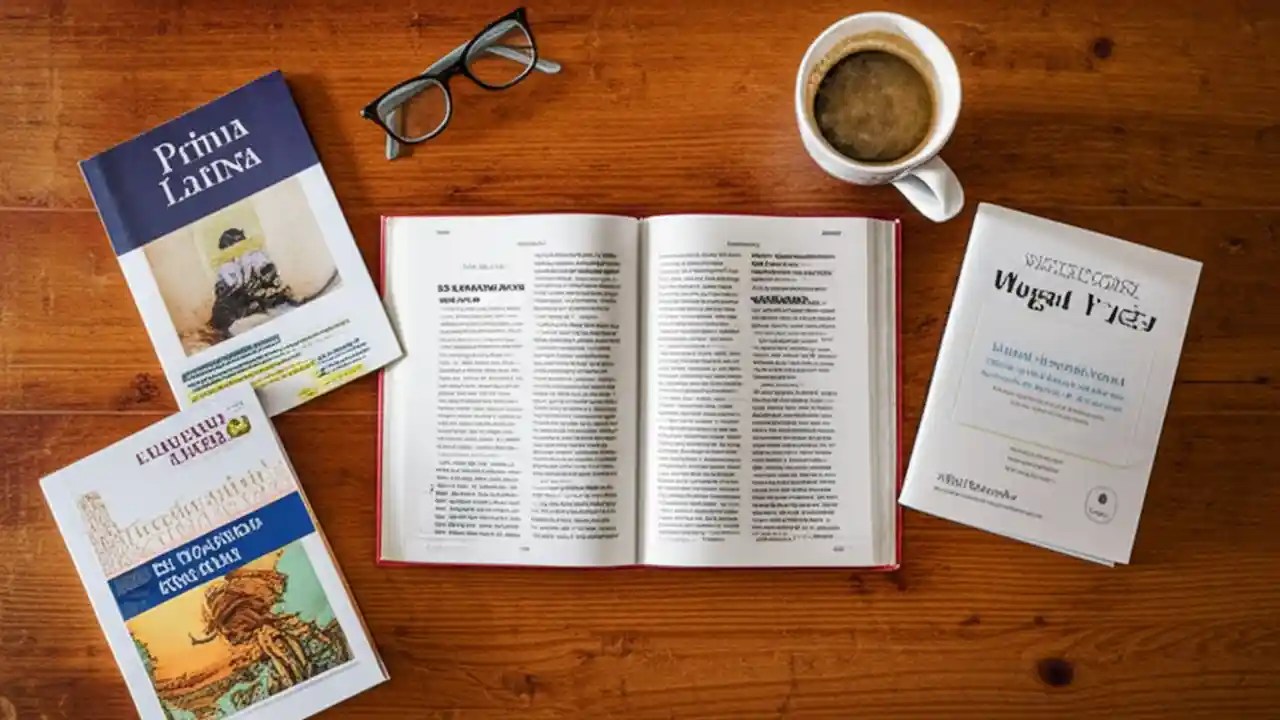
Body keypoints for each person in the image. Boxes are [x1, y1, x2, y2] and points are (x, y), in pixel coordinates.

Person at [208, 228, 294, 339]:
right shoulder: (226, 268)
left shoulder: (254, 255)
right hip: (242, 307)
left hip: (263, 301)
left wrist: (266, 280)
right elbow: (223, 293)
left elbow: (268, 271)